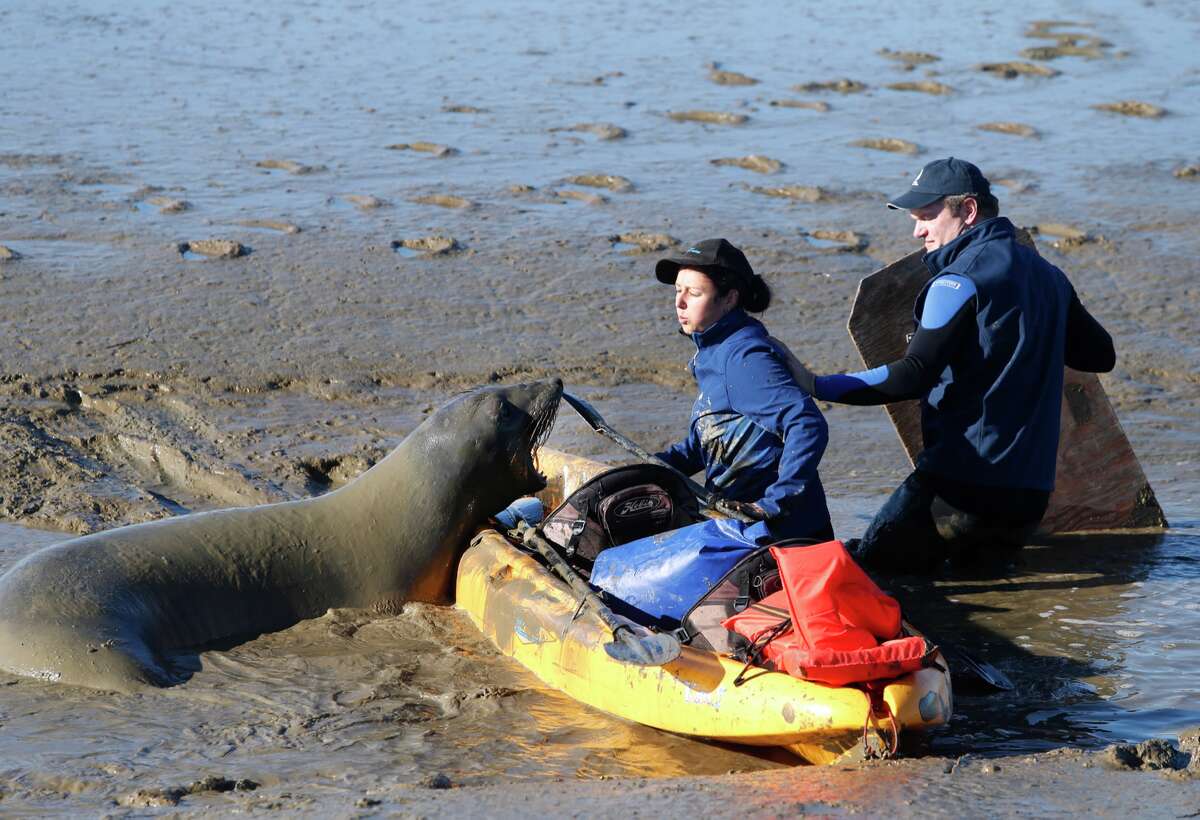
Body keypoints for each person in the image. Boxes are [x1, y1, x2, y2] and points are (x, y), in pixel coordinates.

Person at [785, 157, 1115, 571]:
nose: (917, 231)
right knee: (974, 595)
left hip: (960, 488)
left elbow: (913, 375)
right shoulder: (1049, 276)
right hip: (1029, 499)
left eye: (927, 216)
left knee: (867, 576)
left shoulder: (956, 281)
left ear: (968, 210)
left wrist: (817, 384)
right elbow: (1100, 355)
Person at [653, 238, 834, 544]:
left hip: (780, 538)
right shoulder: (713, 351)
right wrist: (650, 469)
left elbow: (807, 424)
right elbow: (713, 439)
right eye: (677, 290)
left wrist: (772, 504)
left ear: (729, 299)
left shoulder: (744, 357)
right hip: (738, 524)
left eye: (694, 293)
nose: (679, 302)